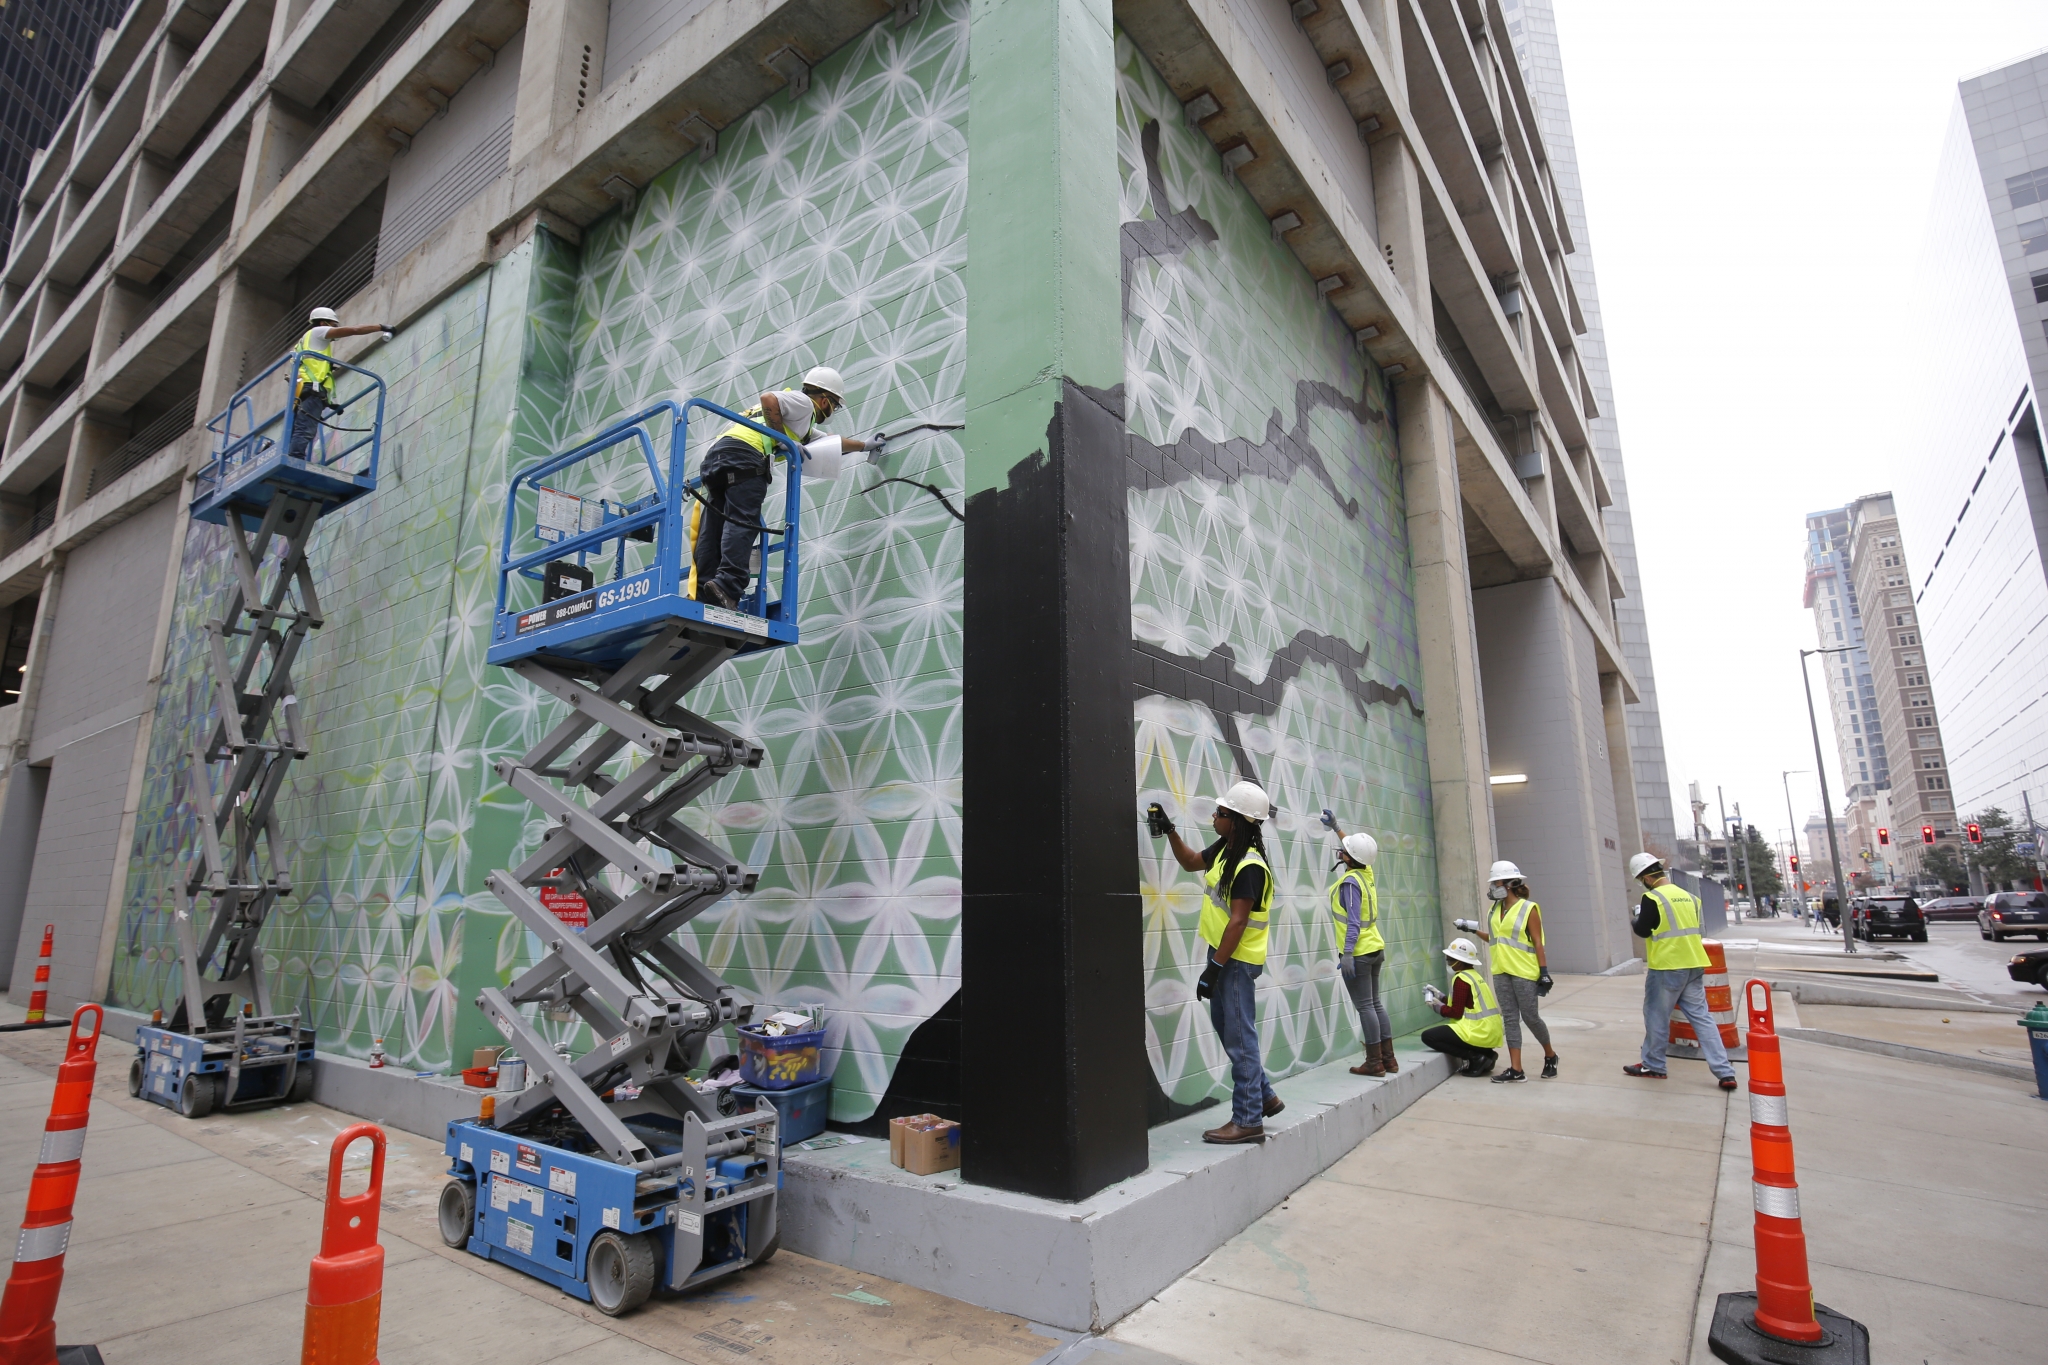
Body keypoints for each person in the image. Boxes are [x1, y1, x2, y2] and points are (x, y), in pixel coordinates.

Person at [1147, 783, 1284, 1145]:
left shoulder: (1249, 865)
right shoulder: (1229, 847)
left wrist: (1215, 968)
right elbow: (1192, 862)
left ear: (1237, 821)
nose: (1215, 817)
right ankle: (1264, 1095)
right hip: (1225, 957)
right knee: (1229, 1028)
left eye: (1221, 814)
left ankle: (1248, 1119)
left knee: (1241, 1038)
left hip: (1234, 962)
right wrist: (1171, 831)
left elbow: (1238, 922)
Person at [692, 367, 867, 610]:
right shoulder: (804, 403)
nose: (833, 411)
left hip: (718, 457)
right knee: (742, 522)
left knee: (714, 528)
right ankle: (727, 585)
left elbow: (831, 442)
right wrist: (782, 439)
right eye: (835, 405)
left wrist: (866, 446)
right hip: (745, 456)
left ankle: (705, 592)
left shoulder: (799, 422)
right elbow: (769, 398)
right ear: (825, 400)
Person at [1624, 853, 1737, 1091]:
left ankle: (1653, 1065)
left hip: (1667, 965)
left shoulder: (1652, 897)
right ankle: (1725, 1072)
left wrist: (1636, 919)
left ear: (1645, 877)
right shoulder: (1690, 897)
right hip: (1694, 963)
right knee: (1702, 1019)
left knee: (1656, 1016)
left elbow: (1644, 930)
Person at [1452, 859, 1558, 1083]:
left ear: (1508, 884)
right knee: (1510, 1019)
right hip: (1500, 970)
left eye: (1496, 883)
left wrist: (1544, 972)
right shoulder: (1494, 910)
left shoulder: (1529, 908)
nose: (1492, 888)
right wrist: (1472, 929)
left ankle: (1550, 1055)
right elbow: (1495, 938)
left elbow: (1538, 943)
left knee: (1530, 1017)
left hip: (1524, 971)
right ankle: (1516, 1069)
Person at [1320, 811, 1395, 1077]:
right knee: (1375, 1003)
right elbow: (1358, 850)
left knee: (1366, 1006)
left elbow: (1353, 923)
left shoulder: (1350, 882)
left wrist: (1348, 954)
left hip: (1359, 953)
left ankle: (1375, 1063)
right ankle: (1389, 1060)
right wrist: (1336, 827)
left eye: (1344, 851)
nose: (1341, 851)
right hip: (1376, 948)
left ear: (1350, 859)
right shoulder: (1367, 873)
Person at [287, 308, 392, 461]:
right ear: (323, 323)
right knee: (306, 429)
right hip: (312, 388)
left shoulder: (305, 342)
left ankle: (291, 455)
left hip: (303, 389)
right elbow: (355, 330)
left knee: (299, 426)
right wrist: (382, 327)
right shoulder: (318, 332)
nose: (334, 329)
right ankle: (295, 460)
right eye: (333, 325)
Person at [1420, 937, 1502, 1076]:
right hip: (1490, 1031)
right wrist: (1440, 996)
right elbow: (1463, 1002)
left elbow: (1456, 1012)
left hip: (1478, 1031)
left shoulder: (1461, 979)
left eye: (1451, 960)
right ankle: (1487, 1053)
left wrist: (1436, 1007)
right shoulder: (1474, 976)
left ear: (1461, 961)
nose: (1449, 963)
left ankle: (1474, 1057)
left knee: (1428, 1036)